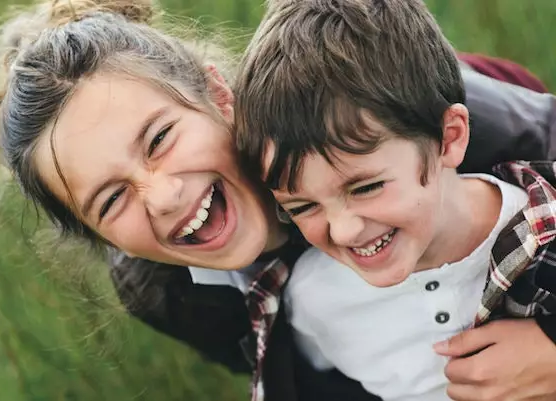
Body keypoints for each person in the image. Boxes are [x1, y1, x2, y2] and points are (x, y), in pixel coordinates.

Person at [0, 0, 556, 399]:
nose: (164, 195)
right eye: (110, 200)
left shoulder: (367, 111)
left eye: (159, 139)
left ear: (218, 96)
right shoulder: (164, 290)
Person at [232, 0, 556, 400]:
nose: (344, 229)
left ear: (449, 138)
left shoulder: (546, 232)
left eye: (365, 187)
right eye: (302, 207)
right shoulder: (314, 301)